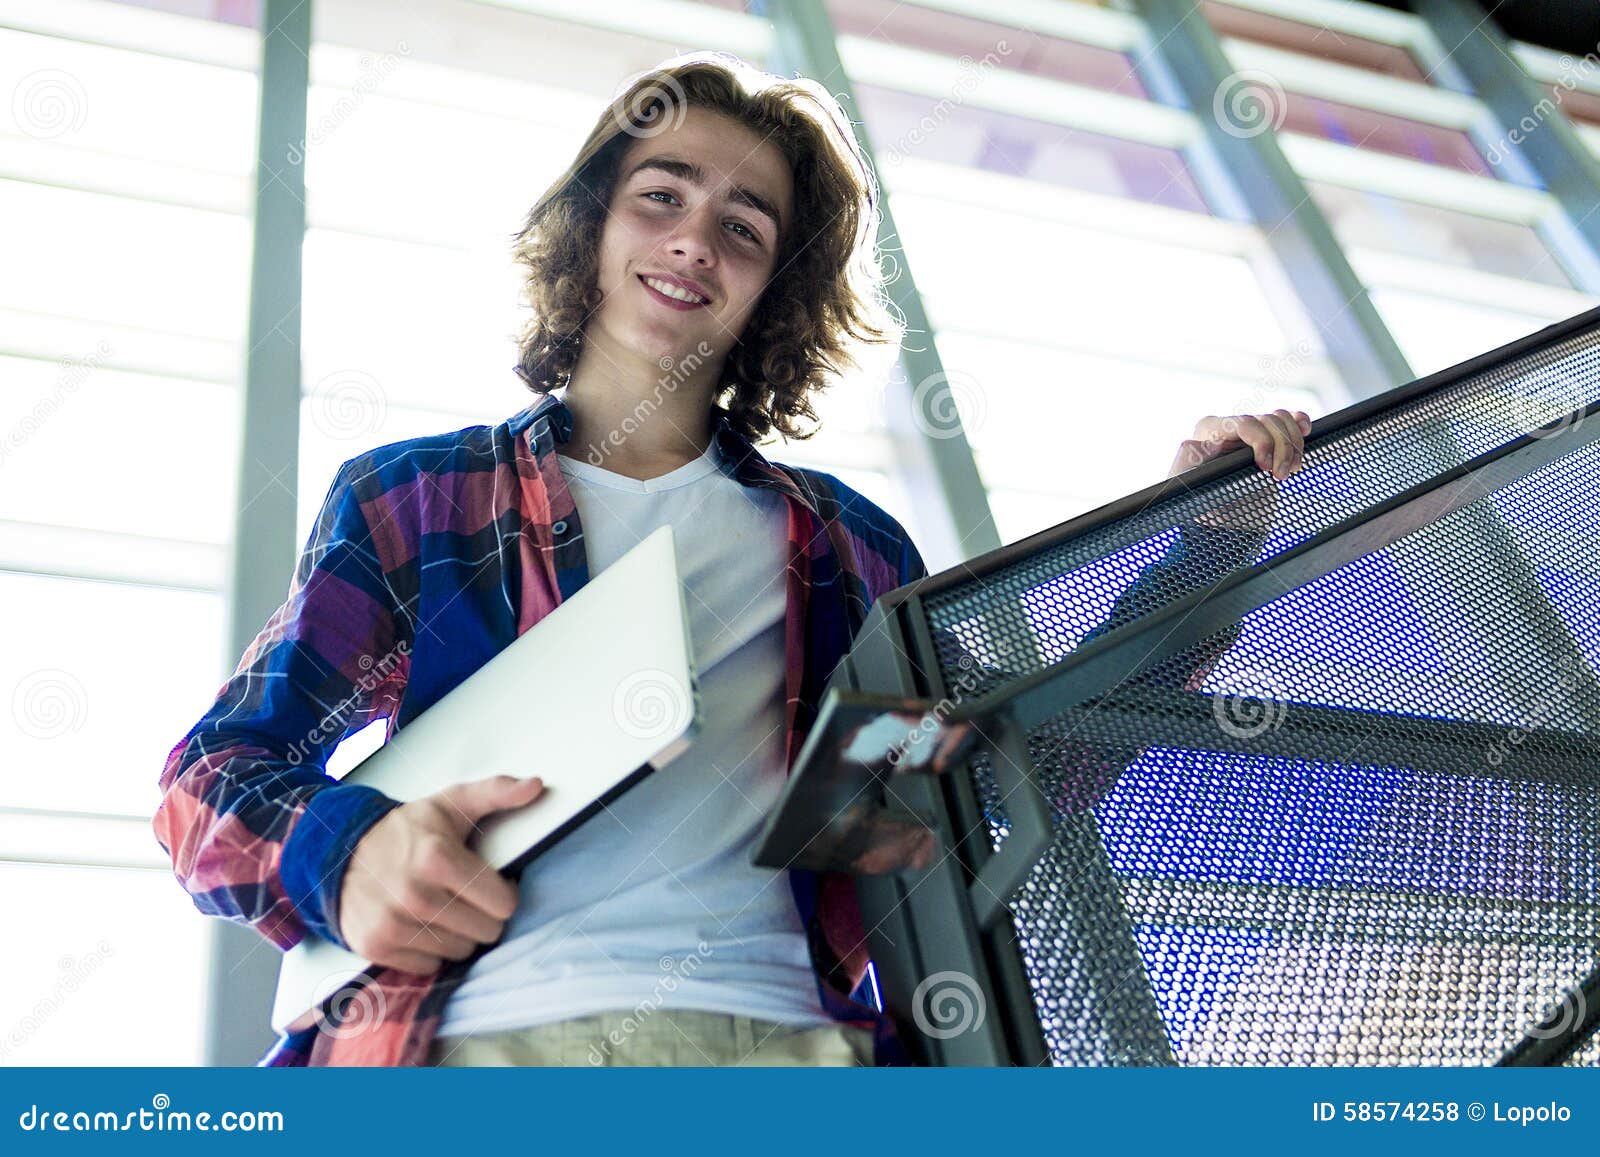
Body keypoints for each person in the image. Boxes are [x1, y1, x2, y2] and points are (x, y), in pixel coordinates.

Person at [152, 52, 1310, 1069]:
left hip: (792, 1051)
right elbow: (208, 778)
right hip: (474, 1045)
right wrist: (345, 854)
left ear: (772, 293)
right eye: (660, 196)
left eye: (744, 227)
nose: (694, 240)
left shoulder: (851, 550)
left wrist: (1200, 544)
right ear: (593, 231)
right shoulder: (419, 496)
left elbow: (1019, 768)